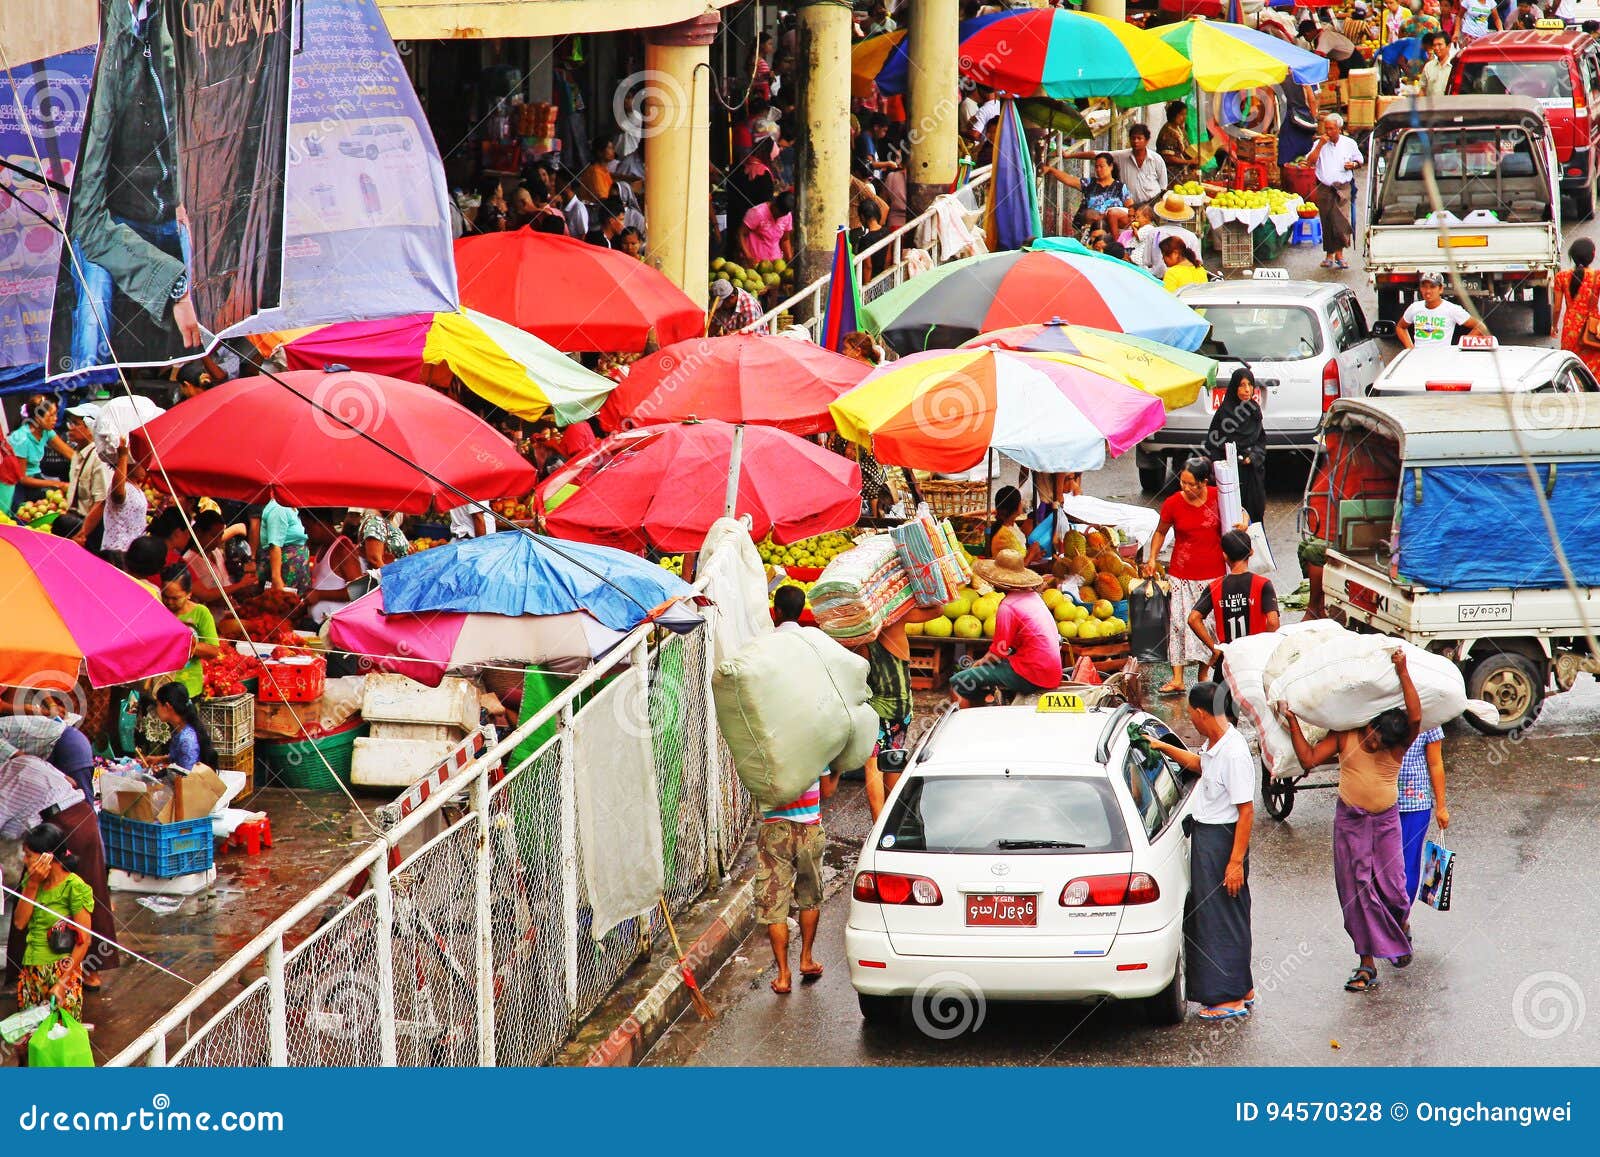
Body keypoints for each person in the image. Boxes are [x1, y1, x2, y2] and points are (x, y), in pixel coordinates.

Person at [1284, 649, 1421, 993]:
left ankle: (1399, 924)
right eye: (1374, 738)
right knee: (1357, 891)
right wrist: (1293, 722)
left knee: (1393, 886)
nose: (1376, 745)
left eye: (1382, 744)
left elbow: (1416, 718)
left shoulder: (1395, 745)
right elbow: (1308, 759)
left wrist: (1403, 671)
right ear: (1370, 725)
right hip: (1350, 821)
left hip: (1386, 821)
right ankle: (1367, 963)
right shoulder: (1346, 734)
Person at [1147, 684, 1256, 1021]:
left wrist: (1235, 862)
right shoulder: (1219, 741)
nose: (1191, 719)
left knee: (1218, 917)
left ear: (1201, 713)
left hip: (1223, 842)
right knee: (1227, 913)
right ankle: (1243, 987)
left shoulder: (1234, 753)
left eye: (1191, 713)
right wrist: (1163, 747)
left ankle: (1229, 998)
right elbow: (1200, 764)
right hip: (1214, 838)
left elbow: (1247, 811)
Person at [760, 588, 839, 994]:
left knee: (774, 902)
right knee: (809, 896)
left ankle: (783, 973)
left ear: (774, 611)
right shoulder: (814, 737)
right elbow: (828, 785)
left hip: (774, 825)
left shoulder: (767, 740)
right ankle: (807, 958)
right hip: (809, 825)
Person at [0, 749, 118, 987]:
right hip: (82, 814)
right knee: (92, 889)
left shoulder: (6, 783)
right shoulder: (30, 762)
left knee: (33, 888)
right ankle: (91, 972)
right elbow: (72, 781)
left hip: (60, 825)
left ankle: (21, 974)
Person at [1144, 457, 1243, 696]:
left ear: (1203, 482)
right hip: (1181, 574)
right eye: (1183, 482)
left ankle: (1203, 673)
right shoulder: (1172, 504)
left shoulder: (1218, 497)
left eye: (1191, 484)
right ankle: (1177, 678)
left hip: (1214, 574)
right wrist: (1152, 558)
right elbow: (1160, 532)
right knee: (1178, 624)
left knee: (1209, 627)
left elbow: (1241, 513)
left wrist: (1243, 524)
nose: (1185, 488)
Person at [10, 824, 95, 1038]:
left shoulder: (74, 887)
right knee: (30, 1043)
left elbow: (84, 941)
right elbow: (20, 923)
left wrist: (62, 983)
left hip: (62, 973)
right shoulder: (32, 882)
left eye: (29, 856)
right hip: (31, 973)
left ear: (47, 858)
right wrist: (31, 886)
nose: (25, 861)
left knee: (59, 1042)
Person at [949, 550, 1063, 707]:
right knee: (981, 676)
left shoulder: (1008, 606)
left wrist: (980, 663)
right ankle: (987, 704)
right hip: (1051, 671)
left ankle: (965, 724)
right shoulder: (1034, 597)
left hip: (1031, 673)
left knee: (958, 682)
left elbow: (998, 652)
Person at [1188, 530, 1280, 679]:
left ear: (1224, 555)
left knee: (1220, 699)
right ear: (1251, 552)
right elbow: (1273, 622)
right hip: (1255, 660)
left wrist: (1215, 649)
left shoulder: (1215, 587)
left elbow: (1193, 619)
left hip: (1228, 659)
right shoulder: (1263, 584)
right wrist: (1263, 645)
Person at [1397, 723, 1450, 916]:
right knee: (1384, 865)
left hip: (1415, 805)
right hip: (1382, 803)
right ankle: (1389, 920)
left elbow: (1435, 763)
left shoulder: (1430, 716)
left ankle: (1401, 918)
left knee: (1408, 863)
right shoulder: (1382, 707)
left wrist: (1441, 806)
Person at [1203, 368, 1267, 524]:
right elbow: (1213, 445)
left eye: (1250, 384)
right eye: (1242, 385)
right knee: (1229, 518)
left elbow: (1261, 441)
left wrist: (1251, 457)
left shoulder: (1254, 410)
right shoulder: (1224, 413)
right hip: (1230, 476)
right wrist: (1227, 463)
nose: (1247, 389)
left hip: (1251, 474)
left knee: (1253, 515)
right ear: (1234, 388)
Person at [1308, 113, 1364, 271]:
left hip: (1343, 187)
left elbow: (1360, 160)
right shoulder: (1320, 143)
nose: (1328, 132)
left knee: (1340, 221)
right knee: (1327, 221)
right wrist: (1320, 145)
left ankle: (1340, 254)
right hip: (1325, 187)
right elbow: (1310, 161)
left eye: (1331, 129)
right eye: (1326, 128)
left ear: (1339, 129)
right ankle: (1329, 255)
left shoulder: (1349, 143)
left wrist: (1353, 164)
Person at [0, 716, 95, 804]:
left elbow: (27, 761)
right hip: (62, 744)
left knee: (81, 805)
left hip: (67, 746)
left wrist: (59, 775)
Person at [1, 395, 71, 513]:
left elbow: (70, 453)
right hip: (18, 485)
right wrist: (58, 484)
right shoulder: (22, 439)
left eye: (56, 414)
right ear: (38, 419)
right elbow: (22, 478)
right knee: (18, 514)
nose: (55, 419)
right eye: (51, 415)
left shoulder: (47, 432)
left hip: (37, 478)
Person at [1065, 125, 1168, 205]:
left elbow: (1163, 187)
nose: (1135, 141)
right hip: (1129, 206)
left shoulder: (1156, 159)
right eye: (1133, 138)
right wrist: (1069, 155)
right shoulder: (1122, 156)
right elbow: (1095, 154)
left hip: (1152, 205)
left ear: (1147, 140)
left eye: (1139, 138)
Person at [85, 440, 148, 564]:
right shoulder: (123, 487)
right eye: (140, 462)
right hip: (117, 553)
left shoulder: (136, 488)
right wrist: (123, 455)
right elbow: (118, 495)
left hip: (130, 553)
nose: (144, 465)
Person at [1042, 152, 1134, 237]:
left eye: (1101, 166)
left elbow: (1131, 209)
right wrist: (1051, 170)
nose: (1098, 170)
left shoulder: (1120, 187)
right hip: (1090, 231)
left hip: (1113, 232)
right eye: (1096, 167)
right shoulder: (1089, 183)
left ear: (1111, 167)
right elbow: (1069, 179)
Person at [160, 570, 219, 698]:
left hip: (189, 687)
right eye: (165, 596)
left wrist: (186, 644)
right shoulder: (157, 609)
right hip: (158, 686)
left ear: (189, 594)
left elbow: (213, 651)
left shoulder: (201, 613)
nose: (169, 602)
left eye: (175, 598)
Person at [61, 403, 110, 550]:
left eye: (76, 424)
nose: (70, 428)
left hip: (91, 528)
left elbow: (101, 501)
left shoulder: (99, 457)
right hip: (76, 522)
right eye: (70, 423)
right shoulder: (77, 453)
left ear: (91, 428)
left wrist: (82, 533)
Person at [302, 509, 364, 626]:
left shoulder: (343, 548)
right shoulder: (322, 548)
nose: (305, 532)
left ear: (319, 524)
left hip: (335, 627)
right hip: (319, 625)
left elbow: (358, 590)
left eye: (307, 527)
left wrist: (319, 595)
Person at [184, 509, 257, 607]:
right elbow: (206, 596)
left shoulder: (216, 552)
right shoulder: (187, 561)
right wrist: (240, 585)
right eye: (214, 536)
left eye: (220, 536)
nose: (218, 541)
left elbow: (225, 585)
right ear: (198, 533)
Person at [143, 682, 217, 773]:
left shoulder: (186, 739)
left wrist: (162, 770)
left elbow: (186, 776)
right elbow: (180, 757)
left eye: (158, 705)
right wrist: (161, 759)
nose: (156, 709)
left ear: (167, 706)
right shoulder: (180, 729)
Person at [1398, 272, 1486, 347]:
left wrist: (1461, 345)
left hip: (1442, 359)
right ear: (1420, 288)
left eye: (1432, 287)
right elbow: (1400, 327)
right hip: (1419, 358)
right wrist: (1410, 348)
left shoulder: (1452, 309)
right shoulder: (1415, 307)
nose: (1428, 291)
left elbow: (1480, 327)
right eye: (1424, 287)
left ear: (1440, 289)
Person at [1554, 238, 1600, 375]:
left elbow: (1557, 308)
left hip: (1570, 330)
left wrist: (1554, 326)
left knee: (1571, 367)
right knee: (1594, 370)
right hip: (1591, 330)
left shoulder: (1561, 277)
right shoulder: (1597, 276)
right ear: (1592, 255)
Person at [1135, 195, 1204, 275]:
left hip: (1157, 279)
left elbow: (1147, 261)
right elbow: (1197, 262)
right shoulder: (1191, 236)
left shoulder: (1154, 233)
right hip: (1183, 280)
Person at [258, 499, 310, 592]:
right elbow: (274, 544)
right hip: (283, 572)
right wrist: (276, 578)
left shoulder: (292, 507)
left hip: (296, 573)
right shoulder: (279, 508)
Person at [987, 484, 1042, 566]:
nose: (1022, 503)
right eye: (1020, 501)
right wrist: (1031, 553)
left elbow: (1019, 556)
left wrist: (1033, 556)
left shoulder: (1012, 526)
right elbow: (1016, 568)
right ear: (1016, 506)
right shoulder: (1005, 535)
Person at [742, 190, 795, 268]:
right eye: (778, 213)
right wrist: (748, 256)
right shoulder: (757, 212)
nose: (780, 216)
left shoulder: (787, 215)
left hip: (775, 264)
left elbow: (785, 240)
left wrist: (789, 260)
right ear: (775, 204)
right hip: (755, 263)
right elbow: (740, 234)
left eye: (783, 215)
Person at [1157, 100, 1200, 187]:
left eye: (1185, 114)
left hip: (1183, 173)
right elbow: (1168, 157)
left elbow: (1186, 148)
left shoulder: (1180, 129)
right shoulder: (1167, 132)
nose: (1184, 117)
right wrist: (1189, 161)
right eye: (1181, 114)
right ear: (1174, 115)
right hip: (1172, 176)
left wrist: (1194, 163)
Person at [850, 198, 892, 278]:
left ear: (862, 217)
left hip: (872, 281)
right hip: (883, 278)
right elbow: (888, 260)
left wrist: (865, 288)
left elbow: (868, 267)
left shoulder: (866, 239)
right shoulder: (887, 232)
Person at [1420, 31, 1453, 97]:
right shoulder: (1428, 66)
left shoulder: (1455, 65)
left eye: (1439, 44)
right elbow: (1422, 89)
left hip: (1450, 105)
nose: (1436, 48)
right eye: (1434, 45)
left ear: (1448, 46)